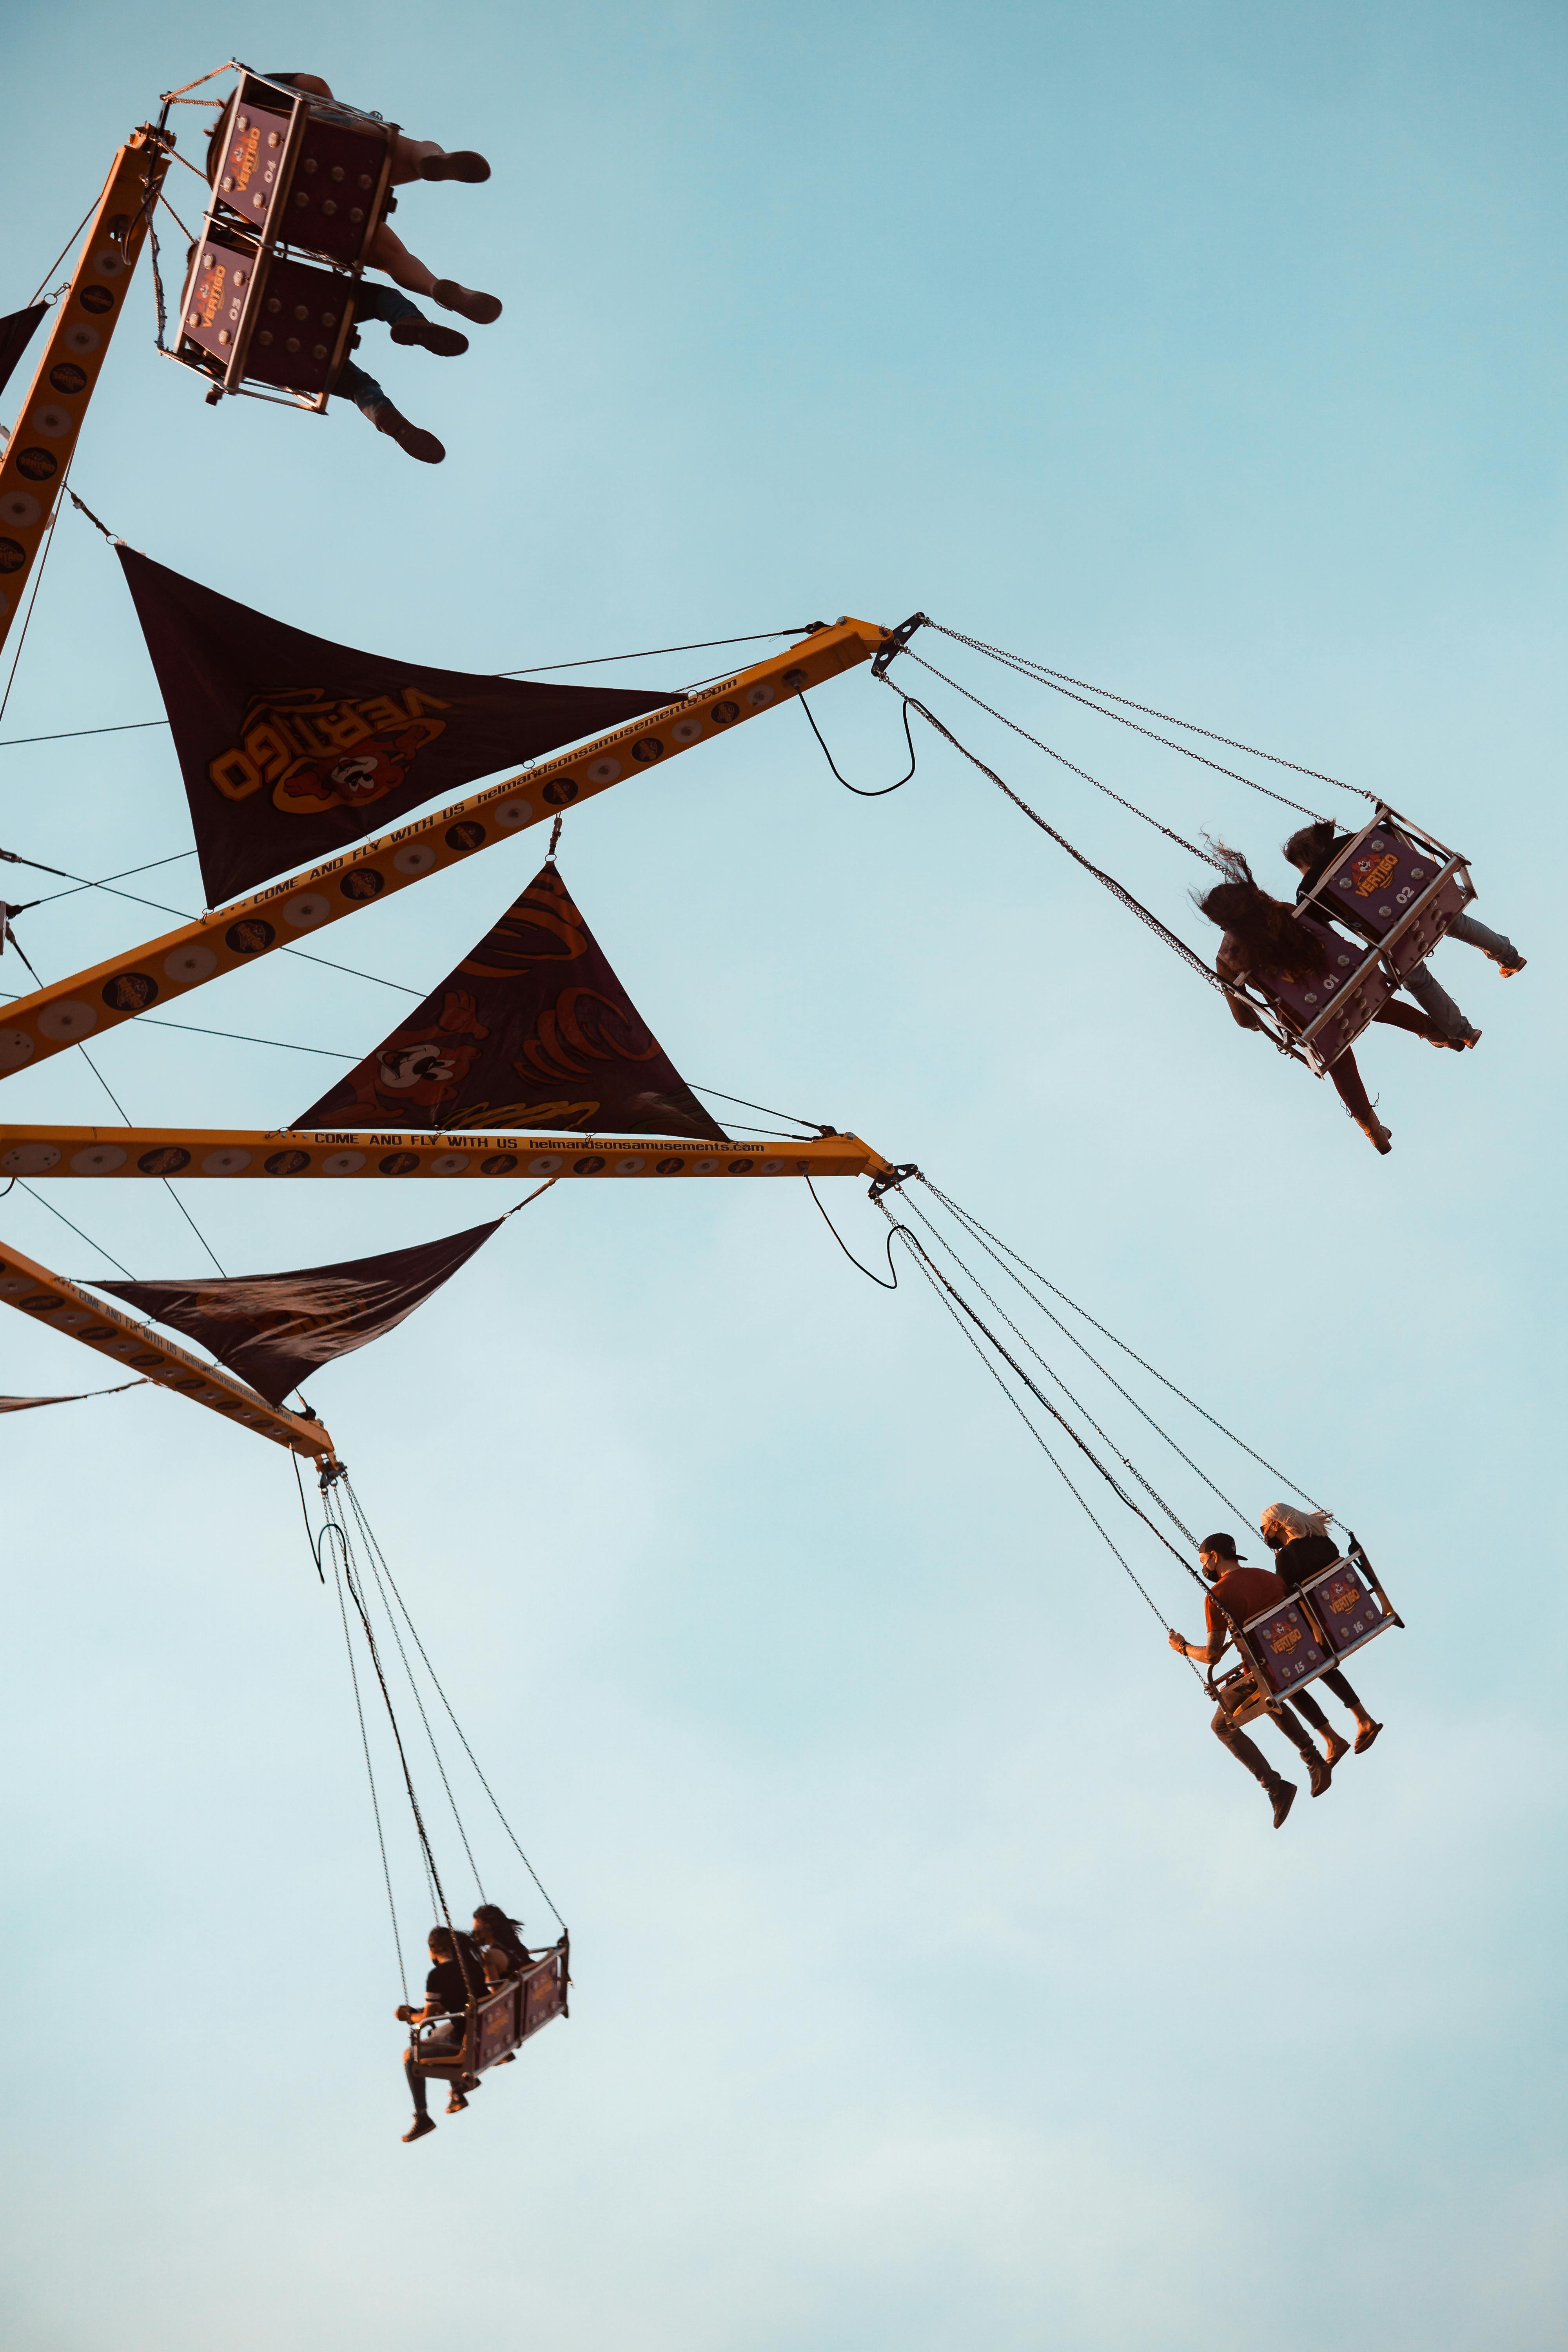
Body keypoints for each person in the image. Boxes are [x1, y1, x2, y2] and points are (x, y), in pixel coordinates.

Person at [1196, 844, 1455, 1155]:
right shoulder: (1283, 912)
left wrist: (1259, 1021)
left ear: (1223, 922)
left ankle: (1371, 1127)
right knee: (1380, 1005)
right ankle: (1440, 1033)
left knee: (1339, 1062)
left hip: (1311, 1016)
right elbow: (1329, 939)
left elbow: (1244, 1019)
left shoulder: (1227, 958)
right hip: (1350, 984)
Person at [209, 73, 504, 325]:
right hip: (315, 138)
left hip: (300, 213)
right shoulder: (246, 93)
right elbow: (313, 84)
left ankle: (434, 287)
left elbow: (250, 222)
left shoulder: (216, 177)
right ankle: (430, 159)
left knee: (390, 259)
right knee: (406, 151)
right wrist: (335, 108)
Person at [1284, 818, 1526, 1040]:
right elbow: (1396, 837)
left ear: (1302, 862)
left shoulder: (1308, 889)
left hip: (1388, 932)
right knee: (1457, 924)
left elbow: (1321, 930)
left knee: (1416, 979)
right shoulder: (1361, 838)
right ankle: (1510, 957)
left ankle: (1461, 1032)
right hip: (1418, 897)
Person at [1168, 1532, 1332, 1827]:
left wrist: (1183, 1647)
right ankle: (1313, 1758)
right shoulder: (1268, 1576)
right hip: (1293, 1653)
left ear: (1215, 1557)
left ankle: (1275, 1787)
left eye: (1204, 1560)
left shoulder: (1217, 1595)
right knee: (1265, 1693)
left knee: (1222, 1725)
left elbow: (1213, 1655)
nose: (1204, 1567)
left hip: (1265, 1669)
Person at [1258, 1503, 1382, 1760]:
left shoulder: (1286, 1557)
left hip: (1321, 1629)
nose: (1264, 1534)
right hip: (1350, 1614)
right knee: (1321, 1663)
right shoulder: (1325, 1543)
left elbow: (1285, 1596)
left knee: (1286, 1675)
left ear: (1275, 1525)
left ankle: (1333, 1737)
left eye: (1264, 1528)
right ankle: (1362, 1718)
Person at [396, 1924, 484, 2142]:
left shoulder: (437, 1975)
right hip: (483, 2028)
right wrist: (418, 2012)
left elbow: (428, 2016)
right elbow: (443, 2007)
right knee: (439, 2034)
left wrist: (408, 2016)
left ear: (433, 1950)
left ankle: (423, 2117)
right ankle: (457, 2090)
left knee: (410, 2056)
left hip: (464, 2039)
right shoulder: (471, 1965)